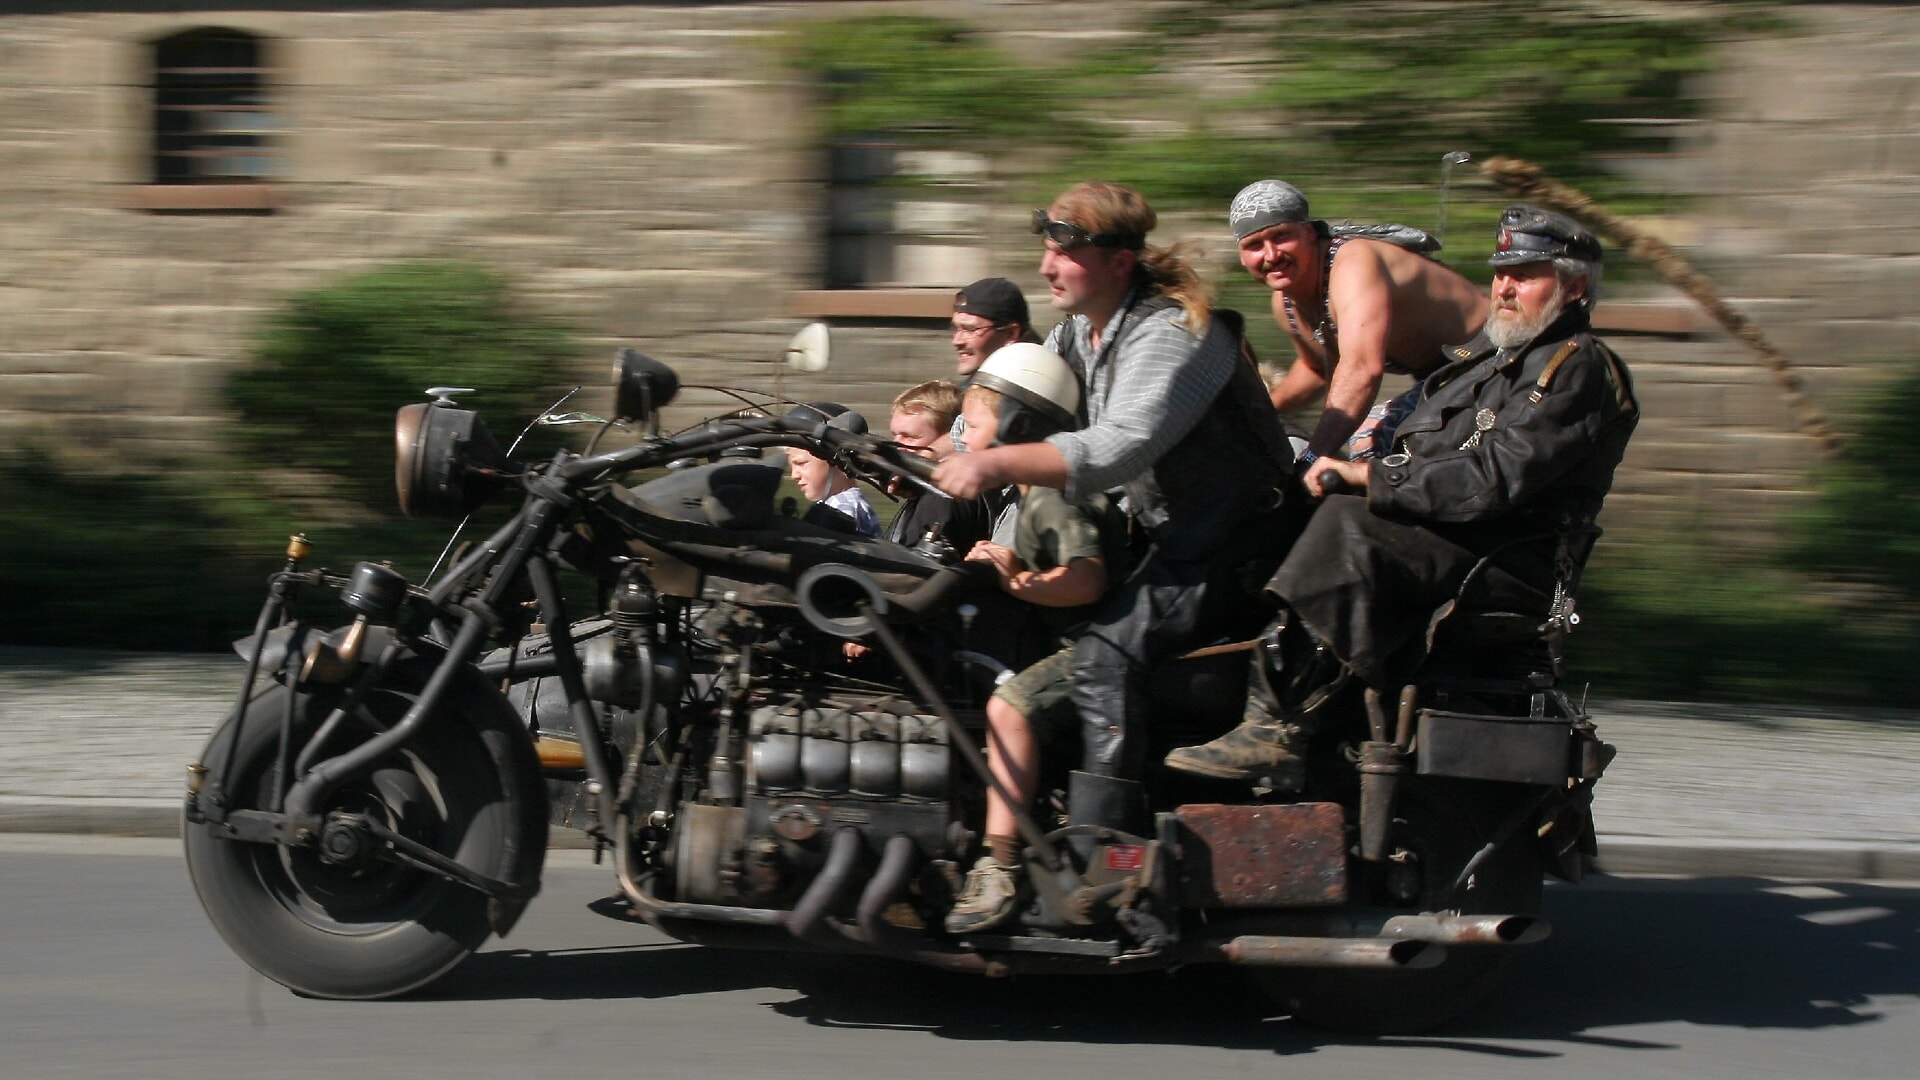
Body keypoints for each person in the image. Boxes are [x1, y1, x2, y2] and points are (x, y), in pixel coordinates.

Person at [1165, 204, 1639, 786]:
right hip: (1460, 535)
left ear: (1575, 286)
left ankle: (1278, 727)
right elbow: (1421, 444)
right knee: (1284, 516)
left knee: (1347, 524)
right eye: (1500, 272)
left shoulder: (1576, 368)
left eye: (1527, 274)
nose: (1505, 287)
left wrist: (1367, 478)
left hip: (1510, 555)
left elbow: (1492, 479)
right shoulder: (1486, 365)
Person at [934, 181, 1294, 838]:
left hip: (1239, 546)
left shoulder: (1174, 333)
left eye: (1063, 255)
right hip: (1183, 543)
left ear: (1117, 263)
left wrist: (994, 464)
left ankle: (1104, 849)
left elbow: (1120, 445)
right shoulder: (1082, 335)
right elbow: (1011, 400)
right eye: (1046, 250)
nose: (1045, 267)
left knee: (1105, 655)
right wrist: (941, 447)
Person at [940, 343, 1128, 934]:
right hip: (1079, 640)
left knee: (1008, 706)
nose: (962, 433)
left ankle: (998, 865)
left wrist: (1015, 578)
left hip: (1095, 646)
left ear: (1018, 428)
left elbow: (1088, 579)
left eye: (973, 421)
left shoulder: (1051, 493)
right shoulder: (1026, 494)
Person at [1231, 179, 1488, 463]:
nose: (1271, 255)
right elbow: (1316, 368)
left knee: (1371, 438)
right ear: (1242, 257)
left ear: (1308, 233)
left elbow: (1362, 370)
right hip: (1438, 378)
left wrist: (1313, 457)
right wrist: (1260, 415)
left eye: (1281, 236)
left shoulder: (1352, 262)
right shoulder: (1286, 303)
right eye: (1254, 245)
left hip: (1493, 357)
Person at [884, 380, 993, 554]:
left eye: (909, 437)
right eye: (895, 435)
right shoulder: (929, 490)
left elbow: (915, 568)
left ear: (950, 436)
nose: (897, 446)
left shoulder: (945, 494)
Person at [784, 402, 879, 537]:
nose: (794, 475)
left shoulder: (840, 508)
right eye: (791, 466)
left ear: (837, 458)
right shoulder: (845, 503)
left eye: (801, 463)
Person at [950, 277, 1041, 381]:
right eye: (956, 329)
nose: (956, 341)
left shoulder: (1032, 389)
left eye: (970, 329)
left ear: (1011, 334)